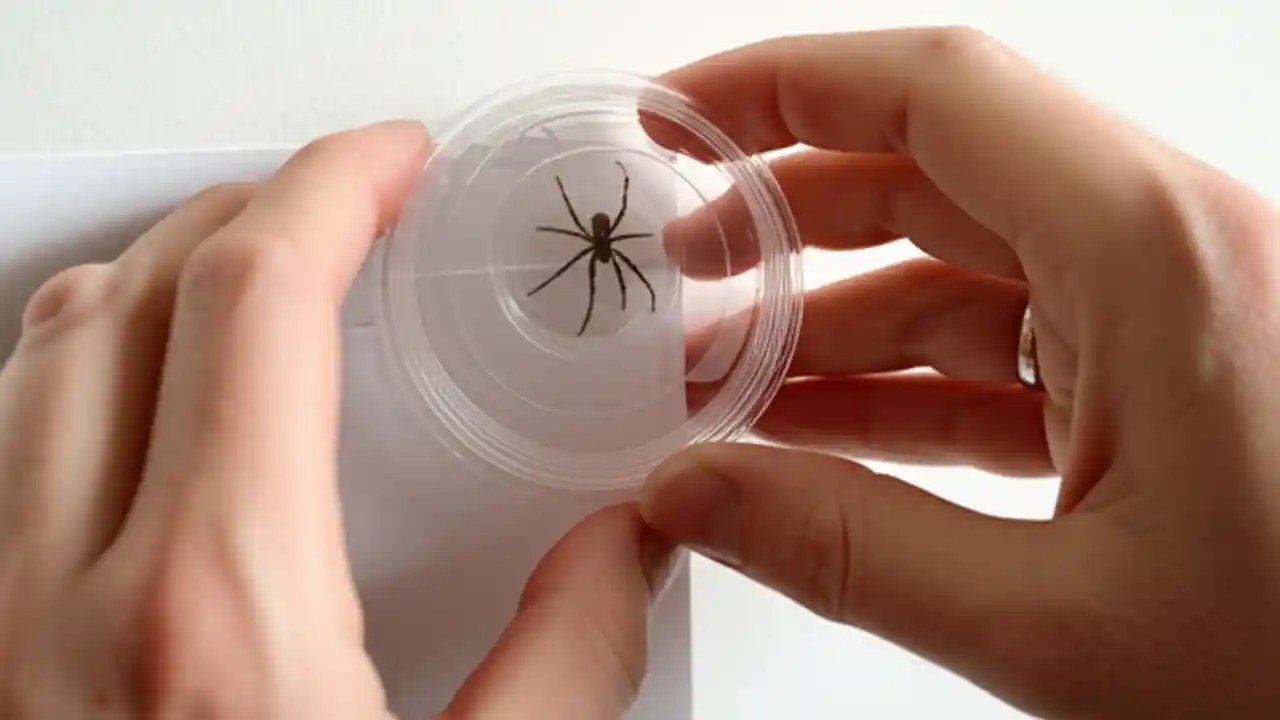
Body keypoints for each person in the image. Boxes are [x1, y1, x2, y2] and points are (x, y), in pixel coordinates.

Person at [1, 26, 1276, 719]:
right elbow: (597, 240)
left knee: (592, 256)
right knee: (592, 254)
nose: (609, 238)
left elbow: (598, 241)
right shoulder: (606, 234)